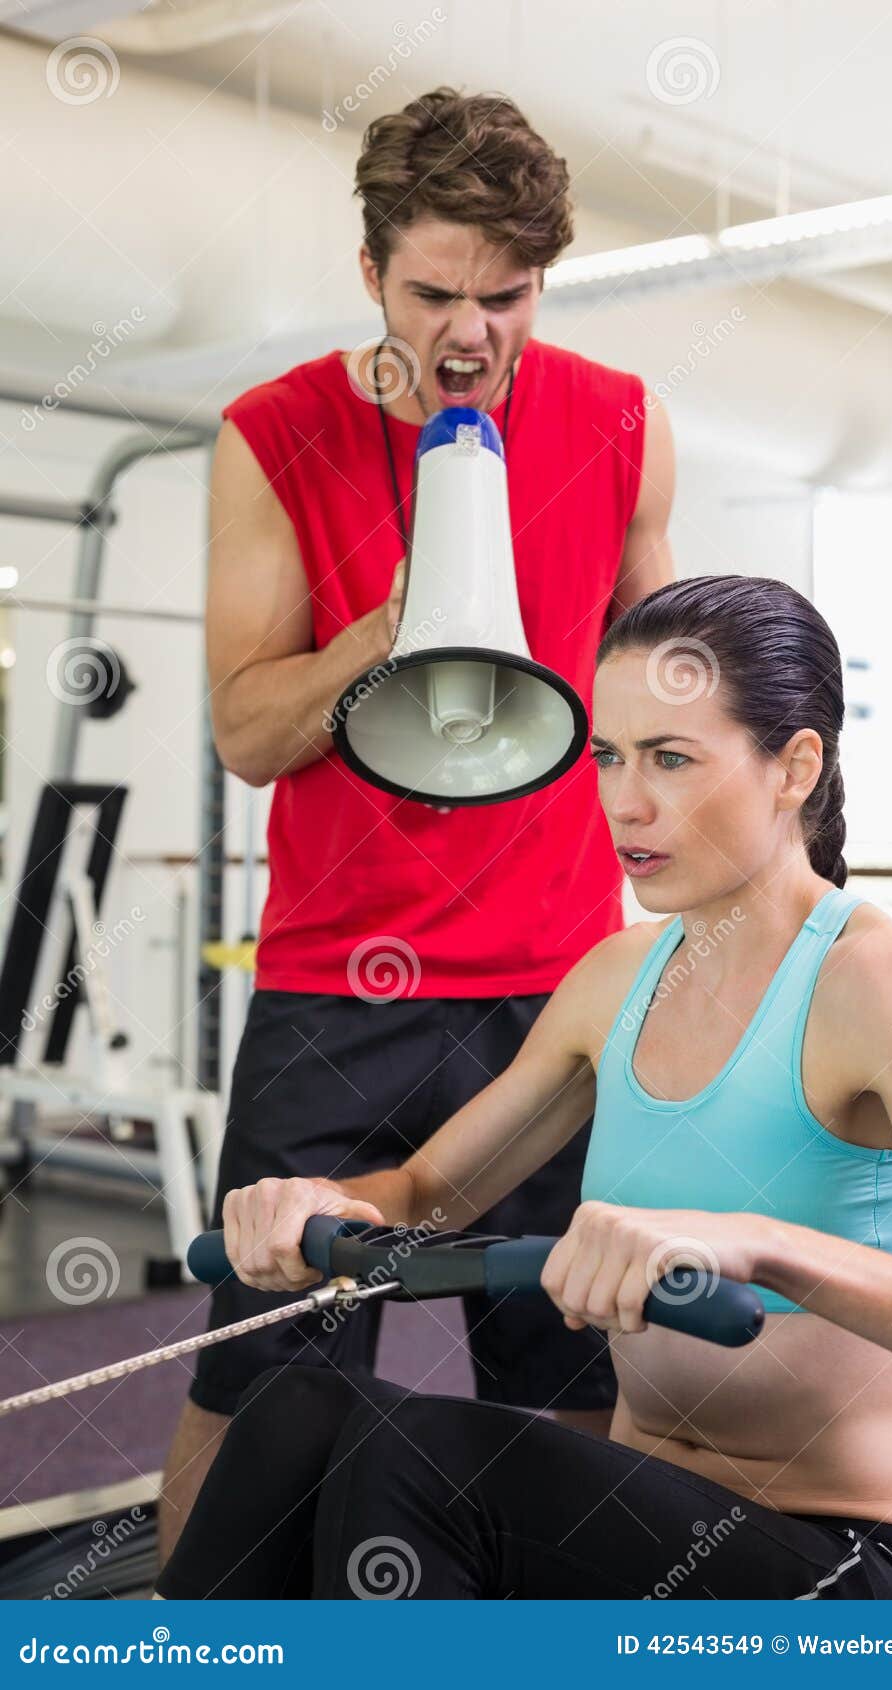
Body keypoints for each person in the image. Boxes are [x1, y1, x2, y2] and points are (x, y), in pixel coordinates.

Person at [156, 574, 892, 1600]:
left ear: (792, 767)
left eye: (670, 759)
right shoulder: (614, 978)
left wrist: (768, 1247)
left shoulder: (870, 982)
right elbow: (425, 1193)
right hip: (633, 1530)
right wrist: (315, 1205)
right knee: (297, 1412)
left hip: (841, 1566)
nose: (623, 803)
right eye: (608, 758)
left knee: (416, 1459)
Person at [158, 86, 675, 1564]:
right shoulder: (273, 435)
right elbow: (248, 734)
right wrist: (388, 636)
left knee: (569, 1362)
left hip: (558, 991)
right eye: (435, 291)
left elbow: (652, 692)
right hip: (338, 987)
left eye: (504, 297)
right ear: (372, 271)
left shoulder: (622, 422)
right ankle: (202, 1654)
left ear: (541, 280)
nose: (470, 333)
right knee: (269, 1374)